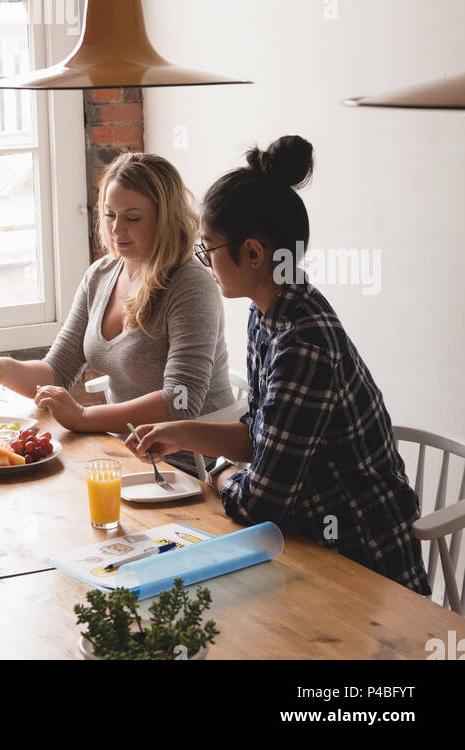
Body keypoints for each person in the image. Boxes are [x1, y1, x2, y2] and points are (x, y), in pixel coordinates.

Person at [127, 136, 431, 596]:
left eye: (208, 248)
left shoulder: (301, 342)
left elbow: (260, 503)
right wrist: (182, 434)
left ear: (253, 253)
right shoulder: (269, 312)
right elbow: (263, 431)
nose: (205, 261)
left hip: (364, 562)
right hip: (307, 539)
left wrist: (223, 472)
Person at [0, 152, 233, 467]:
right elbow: (58, 371)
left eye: (133, 218)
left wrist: (83, 416)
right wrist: (6, 370)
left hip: (193, 464)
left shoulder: (190, 285)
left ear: (166, 217)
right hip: (124, 451)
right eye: (109, 215)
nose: (117, 230)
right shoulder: (102, 274)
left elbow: (180, 402)